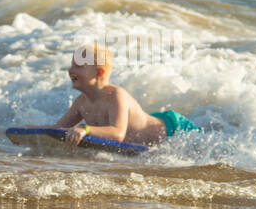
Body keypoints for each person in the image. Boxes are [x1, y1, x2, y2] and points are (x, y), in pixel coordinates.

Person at [52, 44, 197, 147]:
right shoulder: (82, 102)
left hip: (175, 128)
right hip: (147, 126)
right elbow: (56, 130)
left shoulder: (115, 95)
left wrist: (85, 128)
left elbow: (117, 134)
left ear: (99, 72)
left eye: (78, 66)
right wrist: (29, 129)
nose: (71, 70)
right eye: (72, 65)